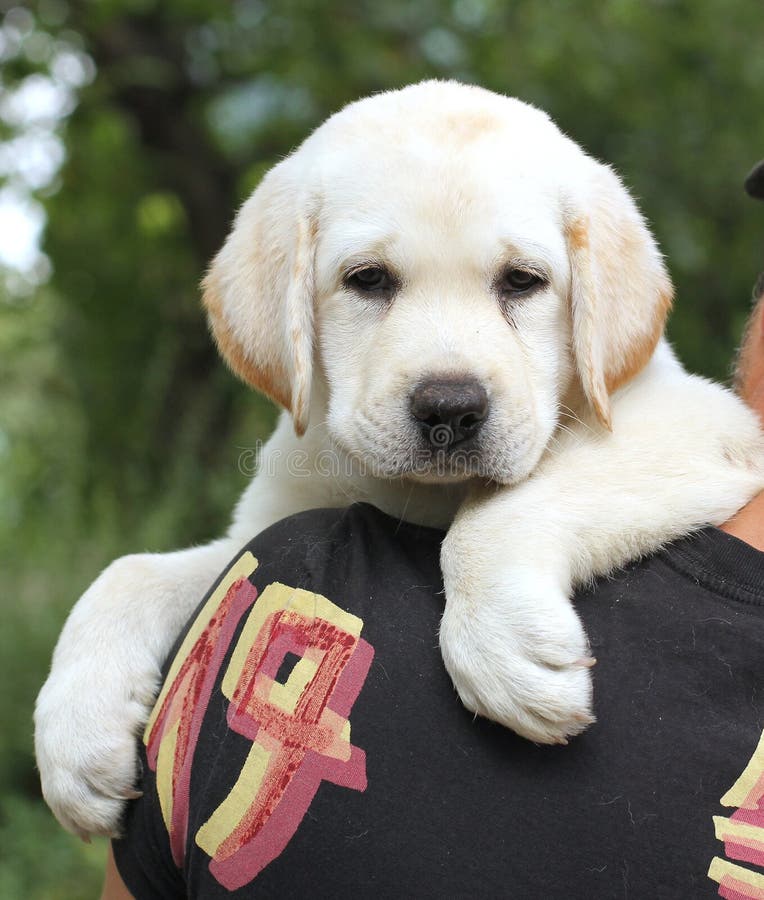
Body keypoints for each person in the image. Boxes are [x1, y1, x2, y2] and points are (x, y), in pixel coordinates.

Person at [103, 212, 764, 900]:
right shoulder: (298, 570)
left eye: (520, 281)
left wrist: (505, 545)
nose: (448, 382)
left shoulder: (301, 578)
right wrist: (129, 608)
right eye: (369, 279)